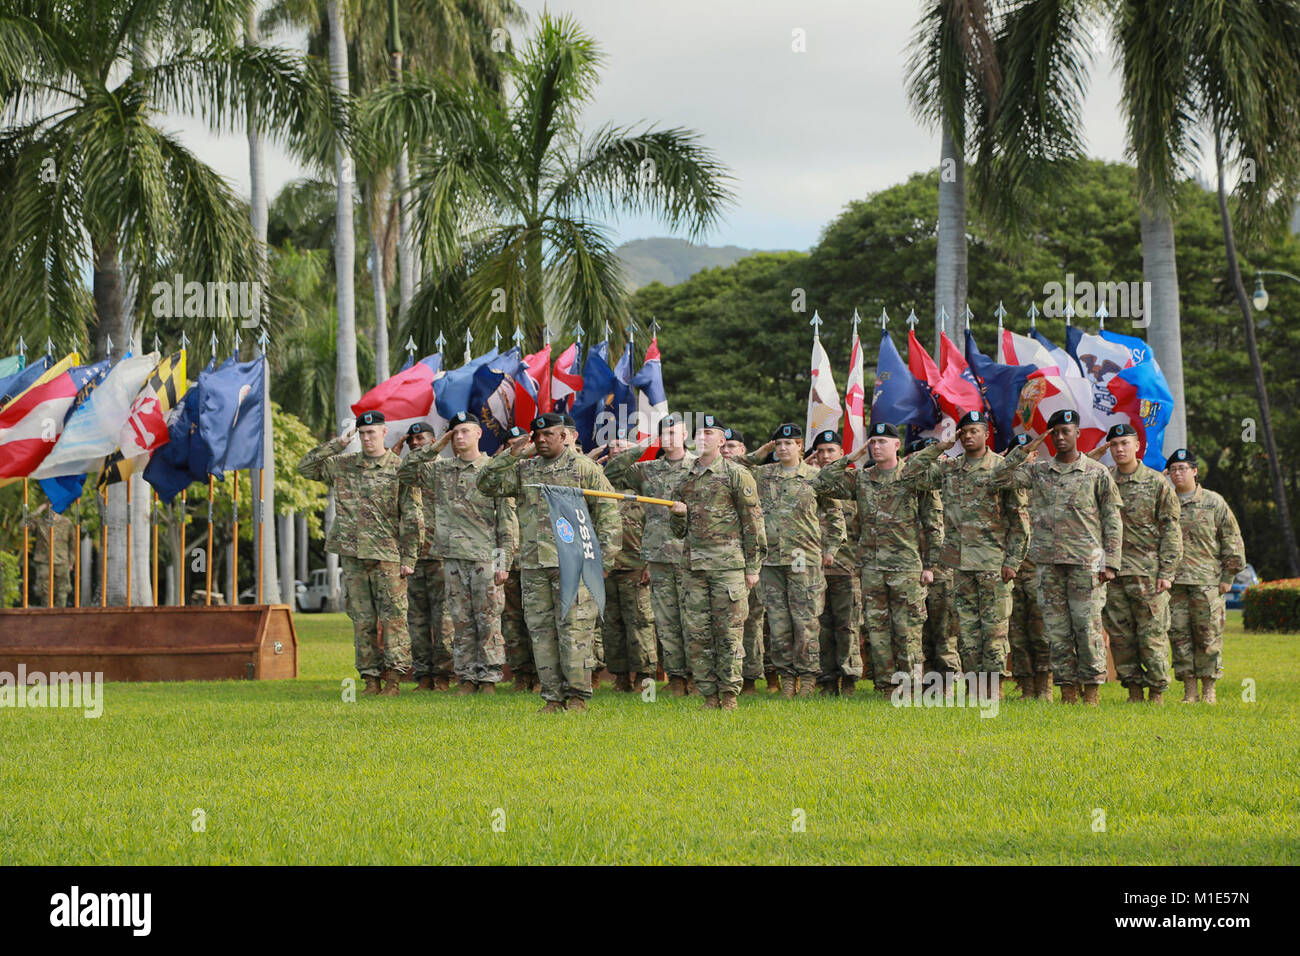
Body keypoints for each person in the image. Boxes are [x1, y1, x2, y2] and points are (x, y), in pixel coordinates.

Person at [477, 412, 621, 713]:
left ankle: (578, 697)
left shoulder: (584, 468)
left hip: (575, 564)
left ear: (564, 436)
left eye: (549, 435)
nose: (541, 440)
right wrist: (511, 455)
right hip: (534, 564)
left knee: (575, 631)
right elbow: (486, 484)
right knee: (541, 632)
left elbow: (608, 513)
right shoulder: (525, 470)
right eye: (537, 436)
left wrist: (604, 559)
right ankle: (553, 698)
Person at [990, 410, 1122, 705]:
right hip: (1047, 564)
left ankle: (1091, 692)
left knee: (1086, 629)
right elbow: (998, 477)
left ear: (1077, 433)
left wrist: (1111, 562)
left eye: (1065, 431)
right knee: (1057, 631)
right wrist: (1026, 448)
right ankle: (1067, 692)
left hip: (1086, 564)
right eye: (1055, 433)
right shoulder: (1039, 471)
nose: (1060, 437)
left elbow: (1112, 518)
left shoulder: (1095, 472)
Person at [297, 411, 423, 696]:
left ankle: (393, 679)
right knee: (362, 620)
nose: (367, 438)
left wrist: (409, 558)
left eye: (372, 433)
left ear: (384, 432)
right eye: (362, 433)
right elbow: (304, 468)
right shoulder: (344, 465)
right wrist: (338, 444)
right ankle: (370, 680)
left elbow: (413, 517)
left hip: (387, 556)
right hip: (353, 555)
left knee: (393, 620)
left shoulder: (399, 468)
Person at [813, 422, 941, 694]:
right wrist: (851, 458)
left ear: (897, 445)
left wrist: (931, 565)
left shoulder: (913, 477)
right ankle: (886, 687)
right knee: (878, 632)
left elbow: (932, 523)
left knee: (907, 631)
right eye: (873, 442)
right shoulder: (862, 478)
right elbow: (820, 484)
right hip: (871, 568)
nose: (876, 447)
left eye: (883, 441)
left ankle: (912, 688)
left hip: (906, 567)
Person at [909, 411, 1030, 699]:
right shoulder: (950, 468)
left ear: (986, 434)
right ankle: (976, 687)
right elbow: (911, 473)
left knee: (995, 629)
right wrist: (940, 447)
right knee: (967, 630)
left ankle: (995, 687)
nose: (969, 436)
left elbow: (1019, 519)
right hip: (959, 563)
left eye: (975, 430)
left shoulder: (1003, 468)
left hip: (994, 562)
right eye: (965, 432)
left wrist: (1013, 561)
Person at [398, 412, 517, 695]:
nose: (459, 437)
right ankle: (465, 677)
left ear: (478, 434)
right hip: (452, 558)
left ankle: (487, 678)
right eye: (454, 433)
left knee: (488, 621)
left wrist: (504, 563)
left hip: (485, 559)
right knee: (461, 622)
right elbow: (405, 472)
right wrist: (437, 446)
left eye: (465, 431)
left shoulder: (492, 469)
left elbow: (506, 520)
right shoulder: (442, 470)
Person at [669, 414, 766, 711]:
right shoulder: (685, 479)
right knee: (698, 634)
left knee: (729, 633)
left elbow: (753, 523)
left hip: (728, 568)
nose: (703, 437)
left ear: (722, 440)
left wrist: (752, 567)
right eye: (699, 433)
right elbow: (677, 532)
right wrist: (678, 515)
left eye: (709, 433)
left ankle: (730, 695)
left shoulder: (737, 475)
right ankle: (709, 695)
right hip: (694, 569)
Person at [742, 424, 845, 698]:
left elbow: (835, 515)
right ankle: (787, 678)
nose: (783, 448)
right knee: (778, 622)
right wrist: (761, 450)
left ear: (800, 446)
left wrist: (831, 548)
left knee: (806, 621)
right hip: (772, 561)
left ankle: (808, 677)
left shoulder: (816, 477)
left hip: (804, 558)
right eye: (778, 444)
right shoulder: (762, 475)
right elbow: (734, 465)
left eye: (789, 443)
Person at [604, 413, 696, 696]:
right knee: (666, 622)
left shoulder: (698, 467)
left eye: (674, 433)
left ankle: (695, 679)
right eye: (664, 434)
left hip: (691, 555)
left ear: (685, 435)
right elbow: (612, 473)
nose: (669, 439)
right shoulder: (648, 469)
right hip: (657, 555)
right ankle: (677, 680)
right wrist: (639, 447)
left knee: (692, 620)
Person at [1096, 424, 1182, 704]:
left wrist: (1167, 572)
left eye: (1124, 443)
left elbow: (1171, 530)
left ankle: (1156, 692)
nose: (1119, 449)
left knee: (1152, 635)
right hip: (1113, 573)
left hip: (1148, 573)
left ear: (1137, 446)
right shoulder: (1104, 480)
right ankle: (1133, 691)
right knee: (1121, 636)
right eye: (1114, 445)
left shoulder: (1157, 483)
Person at [1164, 448, 1245, 704]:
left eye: (1183, 468)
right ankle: (1190, 690)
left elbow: (1231, 539)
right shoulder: (1166, 502)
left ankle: (1209, 689)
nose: (1178, 473)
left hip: (1207, 582)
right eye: (1173, 469)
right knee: (1179, 637)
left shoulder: (1213, 502)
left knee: (1208, 636)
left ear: (1195, 471)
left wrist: (1228, 576)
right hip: (1174, 583)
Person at [594, 431, 658, 692]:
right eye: (612, 446)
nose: (617, 450)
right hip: (608, 567)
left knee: (641, 623)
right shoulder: (601, 485)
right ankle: (620, 678)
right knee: (612, 626)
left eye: (623, 445)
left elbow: (655, 527)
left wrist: (650, 563)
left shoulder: (643, 484)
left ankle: (646, 680)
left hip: (636, 566)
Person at [396, 423, 453, 691]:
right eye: (412, 441)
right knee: (416, 621)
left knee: (443, 621)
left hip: (441, 554)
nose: (416, 444)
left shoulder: (447, 469)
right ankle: (423, 675)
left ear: (434, 441)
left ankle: (443, 675)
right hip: (412, 557)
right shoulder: (407, 474)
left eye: (421, 439)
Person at [810, 430, 865, 695]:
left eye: (830, 450)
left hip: (847, 567)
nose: (825, 456)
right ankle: (826, 680)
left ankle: (850, 678)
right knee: (821, 626)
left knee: (848, 625)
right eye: (820, 451)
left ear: (841, 454)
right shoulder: (810, 483)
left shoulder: (854, 484)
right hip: (813, 568)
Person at [907, 437, 961, 688]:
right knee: (920, 629)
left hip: (945, 569)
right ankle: (928, 684)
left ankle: (949, 684)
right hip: (915, 566)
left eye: (941, 460)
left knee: (945, 630)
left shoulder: (956, 489)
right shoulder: (913, 491)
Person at [722, 427, 772, 694]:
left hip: (755, 558)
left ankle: (752, 676)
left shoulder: (755, 474)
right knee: (730, 621)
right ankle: (730, 676)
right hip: (726, 560)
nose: (726, 452)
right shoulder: (716, 476)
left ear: (743, 451)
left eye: (732, 447)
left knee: (753, 619)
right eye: (724, 446)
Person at [1005, 433, 1052, 699]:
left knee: (1041, 629)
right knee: (1016, 631)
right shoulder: (1003, 487)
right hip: (1010, 570)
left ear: (1035, 456)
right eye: (1017, 453)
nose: (1024, 459)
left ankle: (1044, 684)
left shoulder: (1043, 485)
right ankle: (1025, 684)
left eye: (1029, 453)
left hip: (1039, 569)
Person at [496, 426, 537, 692]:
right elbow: (497, 527)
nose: (517, 450)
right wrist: (500, 564)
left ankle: (542, 675)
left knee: (537, 621)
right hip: (509, 564)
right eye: (511, 445)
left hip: (537, 562)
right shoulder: (500, 484)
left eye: (521, 445)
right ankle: (521, 674)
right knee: (511, 622)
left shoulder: (537, 478)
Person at [21, 499, 77, 607]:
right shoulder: (39, 522)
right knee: (44, 591)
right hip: (44, 561)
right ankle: (46, 616)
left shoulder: (67, 523)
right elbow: (22, 526)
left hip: (61, 561)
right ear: (46, 506)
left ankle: (61, 617)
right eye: (50, 505)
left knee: (62, 591)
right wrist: (37, 512)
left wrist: (71, 561)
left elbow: (73, 544)